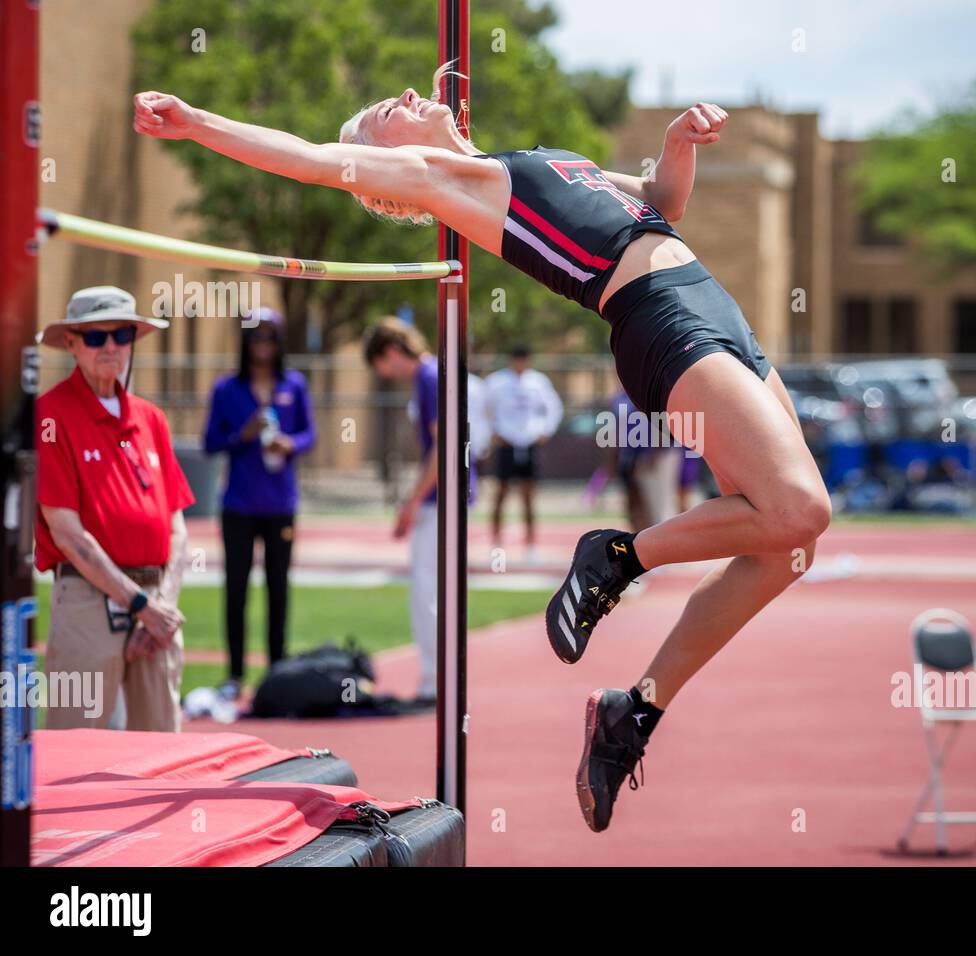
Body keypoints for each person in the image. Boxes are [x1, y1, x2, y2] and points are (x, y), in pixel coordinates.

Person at [132, 69, 831, 832]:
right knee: (798, 506)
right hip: (662, 322)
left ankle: (633, 712)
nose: (398, 100)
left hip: (712, 304)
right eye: (378, 117)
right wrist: (198, 120)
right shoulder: (446, 182)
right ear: (390, 178)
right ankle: (620, 557)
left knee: (788, 543)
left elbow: (658, 203)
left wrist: (674, 146)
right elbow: (308, 158)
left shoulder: (528, 160)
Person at [34, 286, 194, 731]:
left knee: (162, 752)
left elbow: (176, 525)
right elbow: (67, 533)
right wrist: (141, 604)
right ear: (71, 342)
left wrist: (161, 604)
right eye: (95, 336)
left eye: (121, 334)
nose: (110, 346)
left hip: (155, 601)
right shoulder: (50, 416)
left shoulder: (150, 417)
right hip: (88, 600)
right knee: (75, 749)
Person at [203, 308, 316, 700]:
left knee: (278, 587)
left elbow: (309, 434)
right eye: (256, 336)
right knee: (236, 589)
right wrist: (243, 434)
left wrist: (291, 444)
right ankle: (235, 673)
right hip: (238, 504)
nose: (263, 345)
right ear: (245, 341)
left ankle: (277, 671)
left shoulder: (295, 385)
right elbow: (210, 443)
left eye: (270, 337)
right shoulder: (226, 389)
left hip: (280, 503)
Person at [362, 317, 476, 705]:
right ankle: (440, 678)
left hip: (442, 498)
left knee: (428, 590)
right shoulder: (435, 373)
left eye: (382, 366)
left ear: (391, 352)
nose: (386, 375)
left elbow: (441, 446)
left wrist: (411, 503)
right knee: (436, 589)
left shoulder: (429, 376)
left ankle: (434, 681)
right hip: (448, 494)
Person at [483, 345, 563, 562]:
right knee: (501, 493)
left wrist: (545, 431)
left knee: (528, 496)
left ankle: (531, 545)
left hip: (529, 444)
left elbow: (553, 407)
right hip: (506, 444)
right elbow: (484, 408)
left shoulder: (537, 382)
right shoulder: (497, 382)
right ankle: (496, 544)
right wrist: (494, 433)